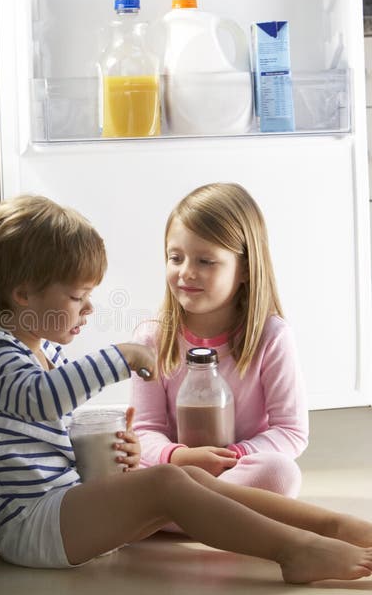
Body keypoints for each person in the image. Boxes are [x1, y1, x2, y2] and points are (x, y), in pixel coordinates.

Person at [0, 194, 372, 583]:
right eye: (78, 296)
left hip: (55, 508)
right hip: (26, 524)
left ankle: (332, 526)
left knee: (184, 477)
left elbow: (45, 432)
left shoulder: (37, 353)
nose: (89, 308)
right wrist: (120, 357)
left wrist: (116, 454)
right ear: (23, 294)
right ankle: (295, 550)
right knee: (166, 484)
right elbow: (41, 398)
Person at [131, 182, 306, 503]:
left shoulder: (272, 337)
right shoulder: (151, 338)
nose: (186, 272)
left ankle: (179, 511)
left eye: (205, 261)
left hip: (239, 468)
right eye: (175, 258)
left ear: (245, 269)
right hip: (176, 470)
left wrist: (232, 456)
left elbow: (290, 432)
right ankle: (206, 510)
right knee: (115, 465)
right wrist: (178, 456)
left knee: (280, 473)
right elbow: (144, 430)